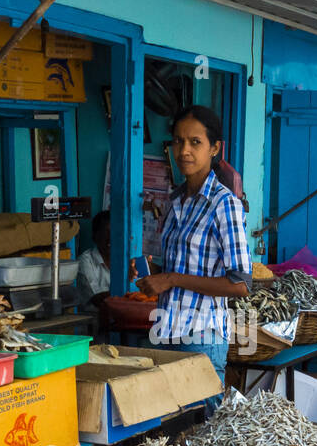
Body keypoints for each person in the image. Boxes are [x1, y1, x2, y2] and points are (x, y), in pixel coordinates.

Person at [136, 105, 251, 385]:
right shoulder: (176, 200)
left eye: (195, 142)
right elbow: (187, 266)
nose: (184, 150)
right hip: (165, 332)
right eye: (178, 141)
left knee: (202, 427)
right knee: (167, 428)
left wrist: (171, 278)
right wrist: (155, 272)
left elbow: (241, 284)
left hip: (201, 339)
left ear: (214, 148)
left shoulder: (225, 204)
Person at [75, 209, 112, 312]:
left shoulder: (127, 260)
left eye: (115, 232)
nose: (110, 238)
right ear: (94, 236)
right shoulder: (85, 262)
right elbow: (97, 300)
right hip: (94, 322)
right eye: (105, 232)